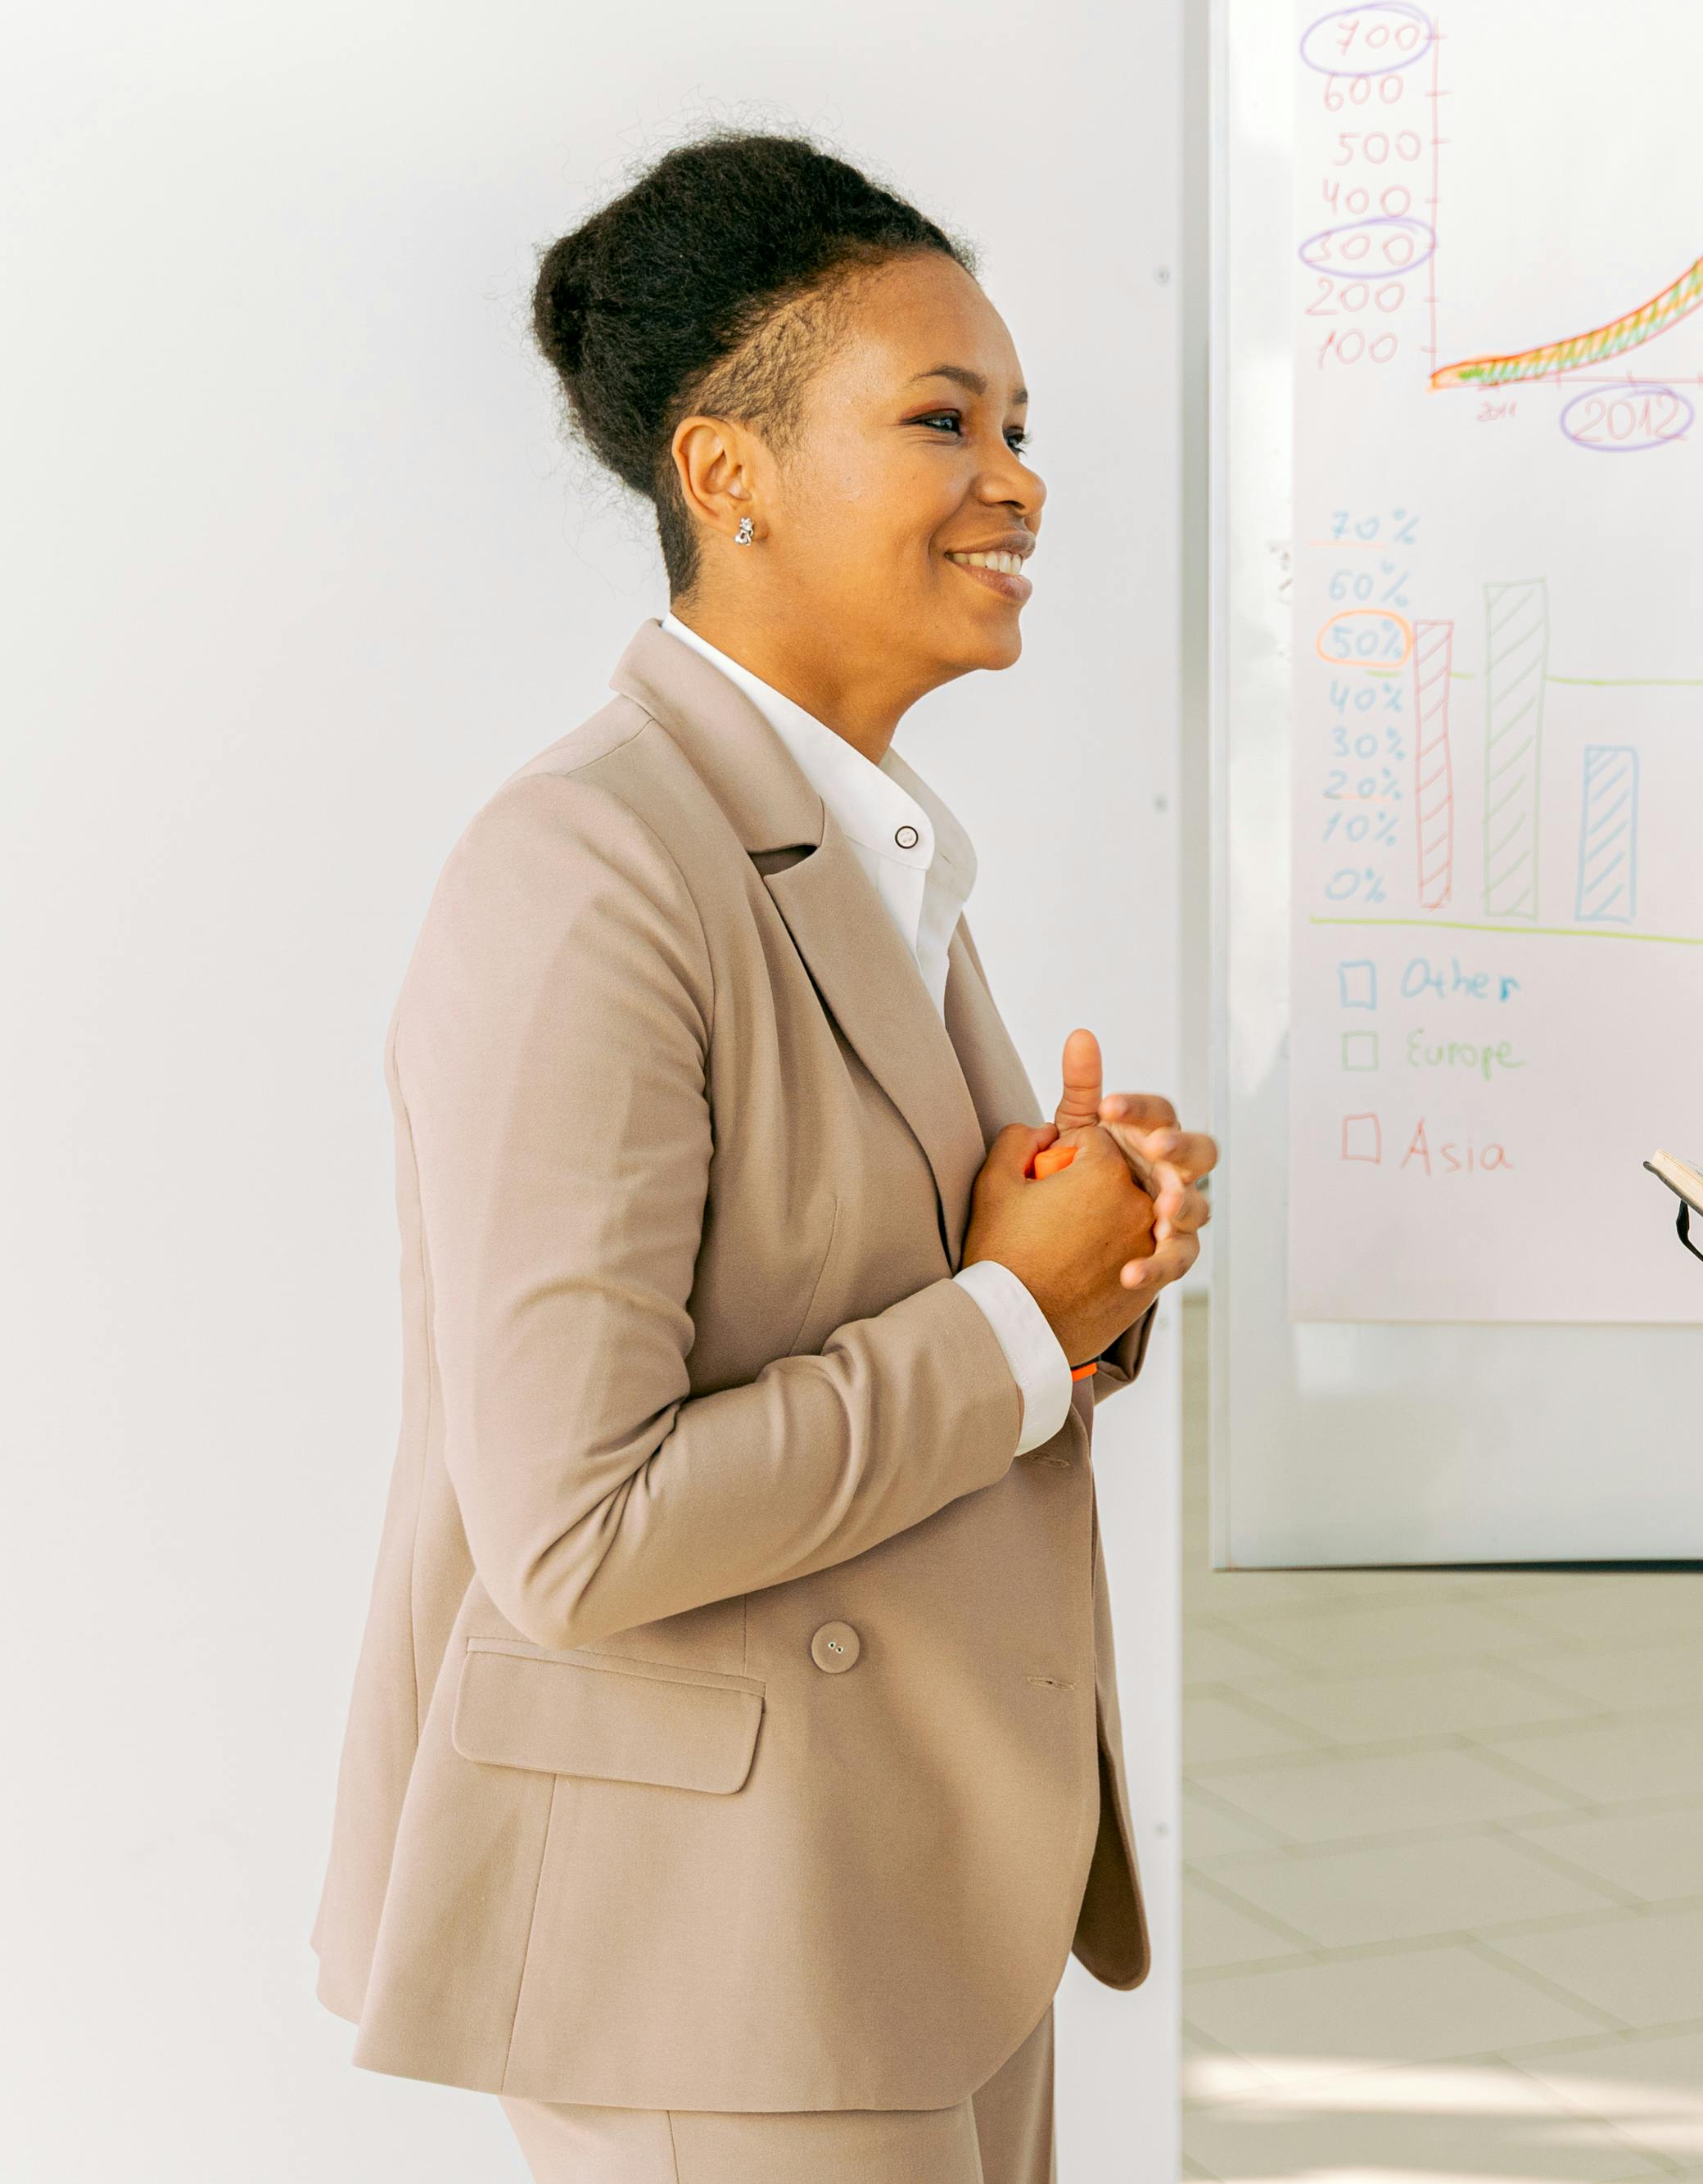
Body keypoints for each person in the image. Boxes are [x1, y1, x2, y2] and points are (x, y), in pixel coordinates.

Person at [311, 133, 1212, 2182]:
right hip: (716, 1960)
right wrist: (1013, 1310)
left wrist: (1080, 1263)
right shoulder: (587, 869)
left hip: (901, 1896)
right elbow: (579, 1528)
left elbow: (874, 1307)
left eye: (1016, 424)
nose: (1017, 478)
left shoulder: (858, 843)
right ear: (727, 478)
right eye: (939, 420)